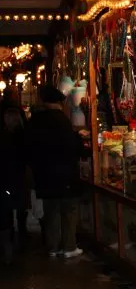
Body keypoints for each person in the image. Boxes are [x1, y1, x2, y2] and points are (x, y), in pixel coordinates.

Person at [28, 85, 84, 258]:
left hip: (45, 175)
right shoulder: (61, 120)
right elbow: (72, 147)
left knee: (51, 211)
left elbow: (30, 147)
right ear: (59, 103)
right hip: (64, 173)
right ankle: (69, 246)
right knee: (68, 210)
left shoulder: (36, 120)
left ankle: (52, 246)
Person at [0, 108, 25, 265]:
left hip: (6, 182)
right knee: (5, 213)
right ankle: (7, 245)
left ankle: (7, 244)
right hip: (8, 181)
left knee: (5, 213)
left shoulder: (9, 137)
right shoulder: (10, 138)